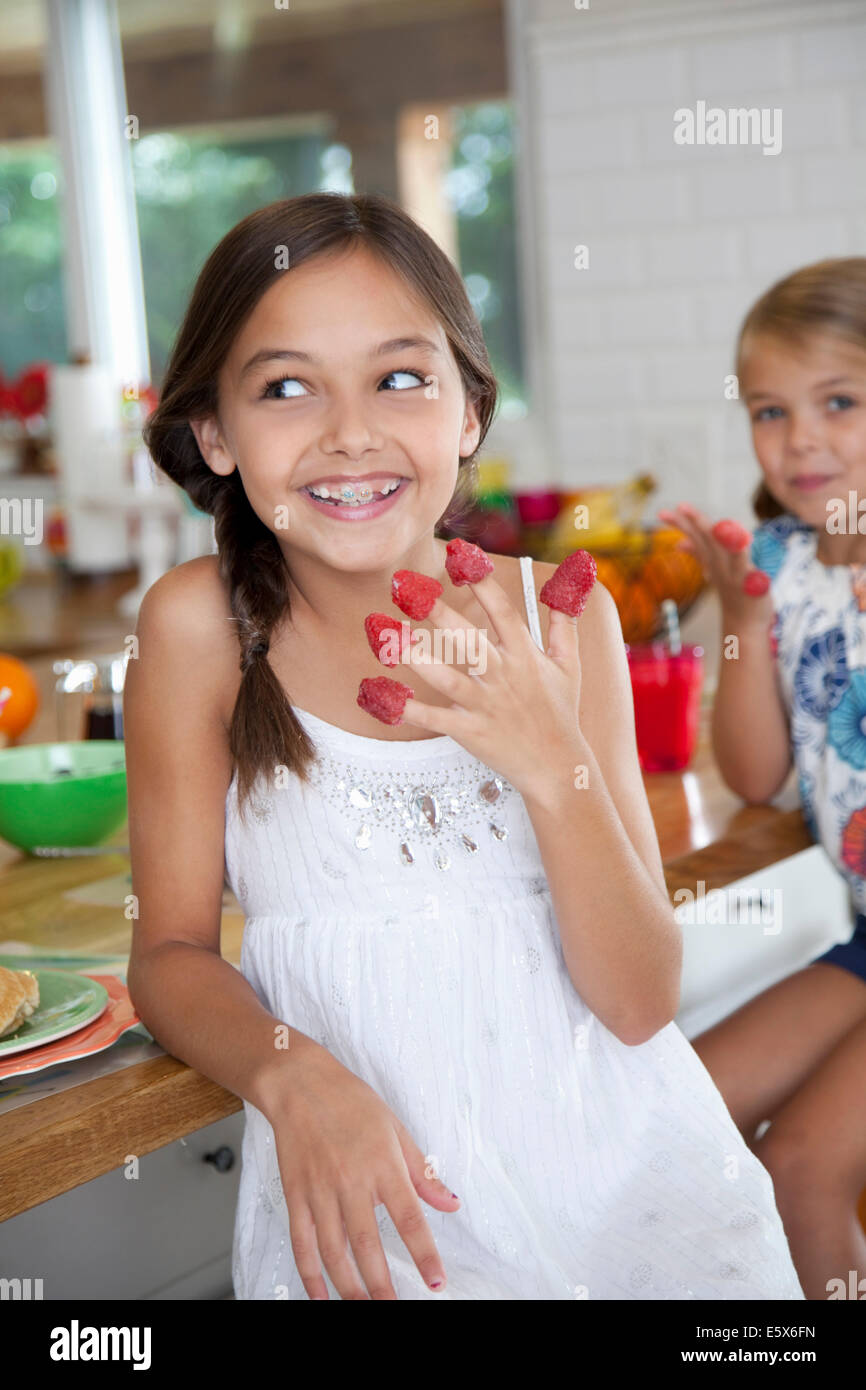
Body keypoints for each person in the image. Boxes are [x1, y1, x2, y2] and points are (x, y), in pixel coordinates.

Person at [125, 191, 803, 1301]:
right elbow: (169, 955)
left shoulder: (556, 616)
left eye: (399, 377)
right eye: (286, 386)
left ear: (468, 414)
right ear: (214, 433)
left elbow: (637, 1000)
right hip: (389, 1237)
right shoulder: (201, 628)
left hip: (641, 1222)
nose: (349, 430)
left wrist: (548, 758)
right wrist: (293, 1077)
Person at [659, 257, 866, 1301]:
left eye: (838, 402)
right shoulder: (780, 565)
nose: (800, 440)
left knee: (800, 1164)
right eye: (769, 411)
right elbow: (752, 778)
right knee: (677, 1115)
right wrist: (739, 622)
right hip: (864, 939)